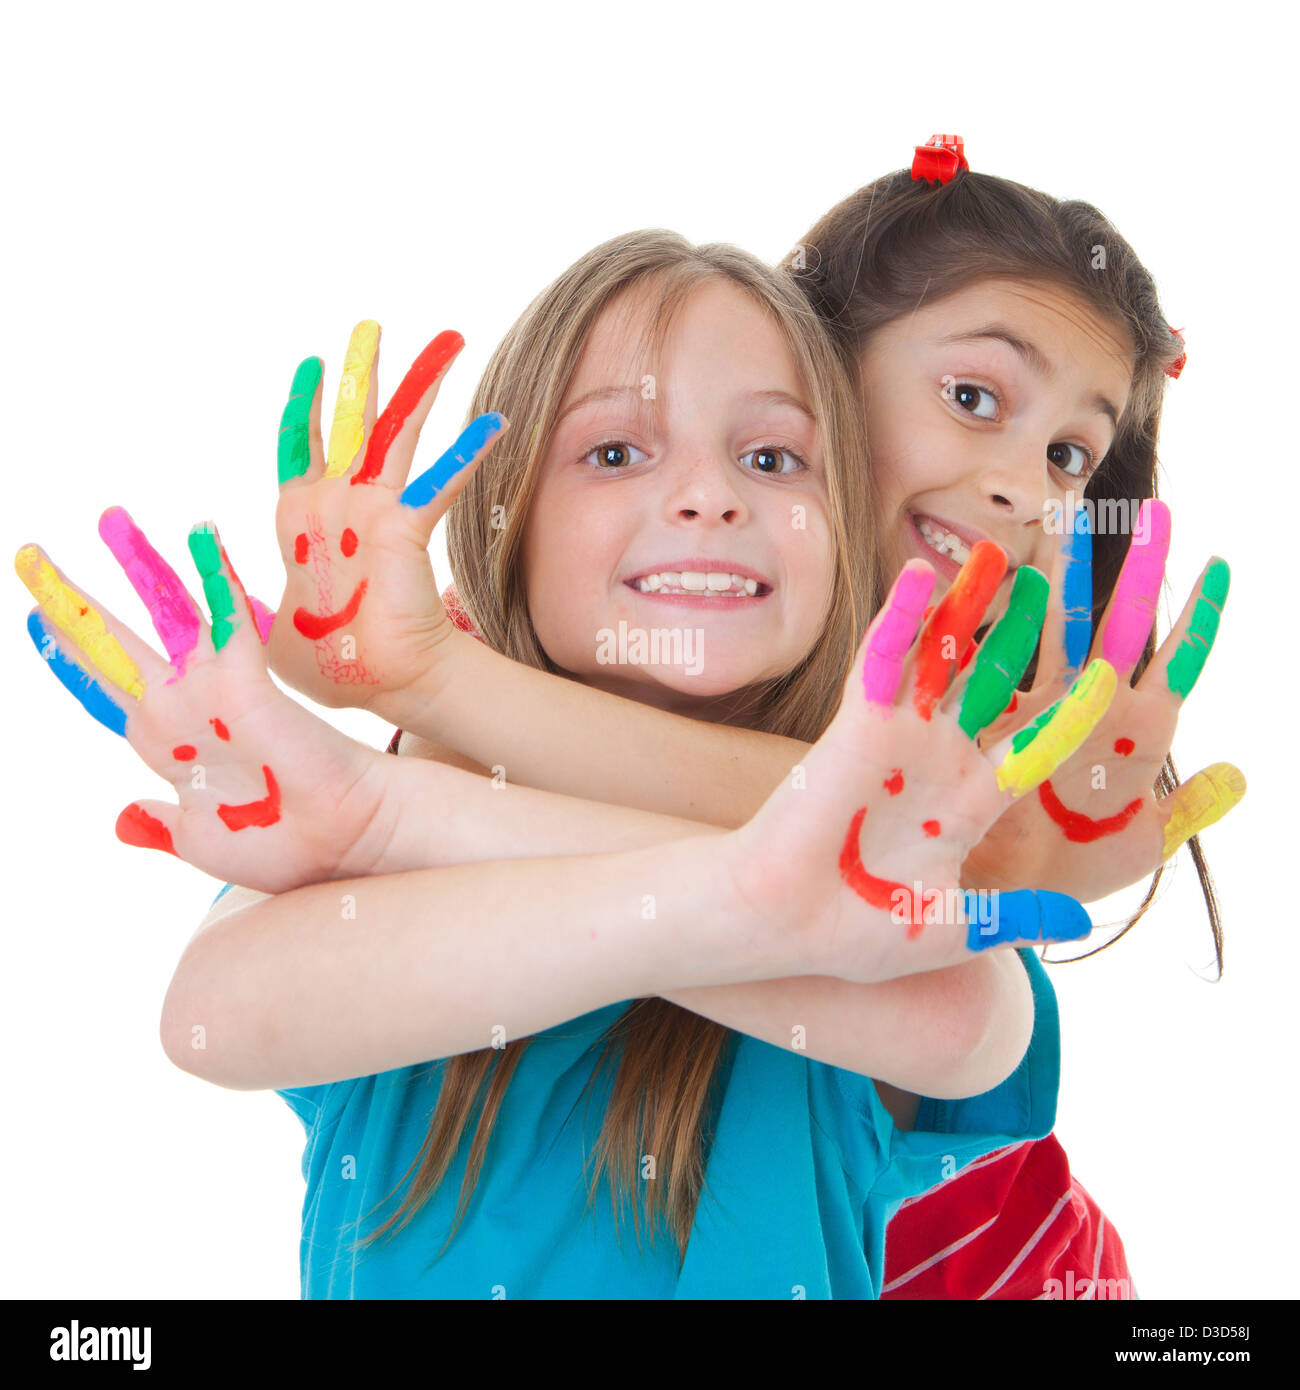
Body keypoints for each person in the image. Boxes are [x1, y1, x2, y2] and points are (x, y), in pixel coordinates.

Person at [17, 230, 1168, 1297]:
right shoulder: (385, 819)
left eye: (774, 455)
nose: (710, 493)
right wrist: (407, 795)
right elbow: (208, 1016)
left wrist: (393, 811)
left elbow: (963, 1017)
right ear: (497, 530)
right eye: (613, 450)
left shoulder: (383, 818)